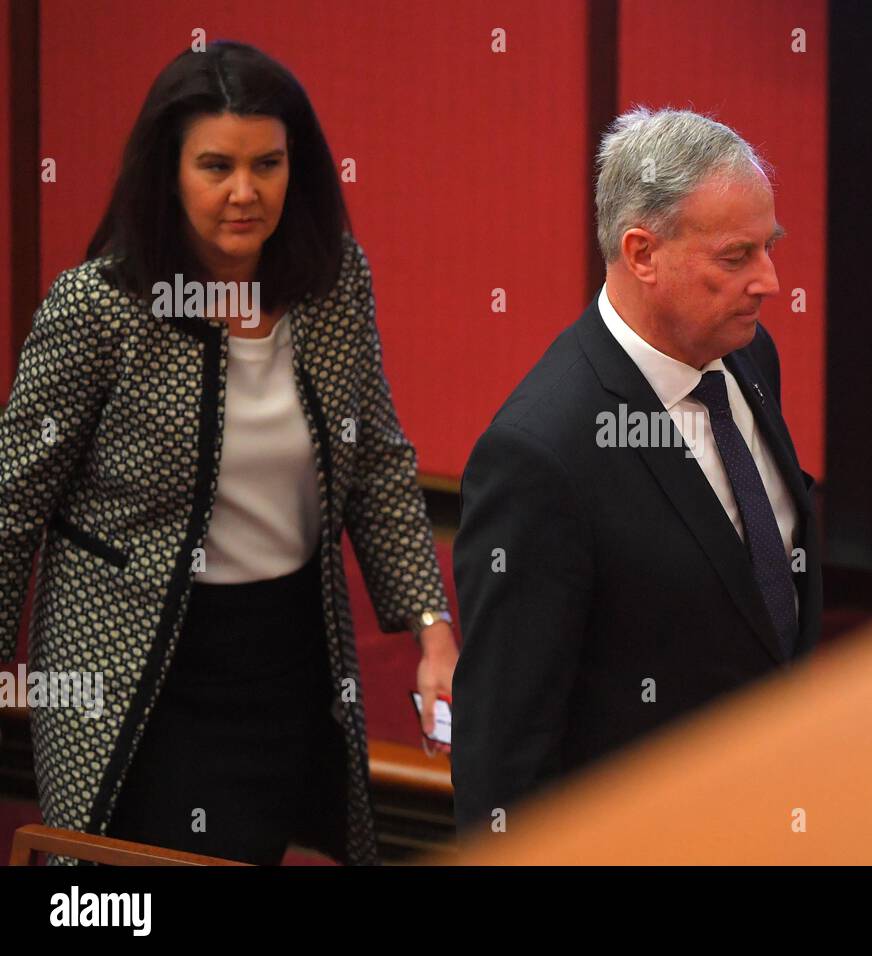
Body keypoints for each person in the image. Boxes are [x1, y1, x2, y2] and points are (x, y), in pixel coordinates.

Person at [0, 41, 458, 865]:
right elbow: (13, 499)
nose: (245, 193)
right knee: (129, 892)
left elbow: (379, 458)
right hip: (135, 668)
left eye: (268, 164)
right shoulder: (98, 309)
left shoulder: (332, 281)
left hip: (288, 652)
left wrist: (432, 630)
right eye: (215, 166)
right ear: (168, 174)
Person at [452, 107, 823, 839]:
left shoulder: (749, 356)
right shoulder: (540, 454)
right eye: (736, 256)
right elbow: (504, 750)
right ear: (641, 253)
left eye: (769, 248)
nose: (770, 281)